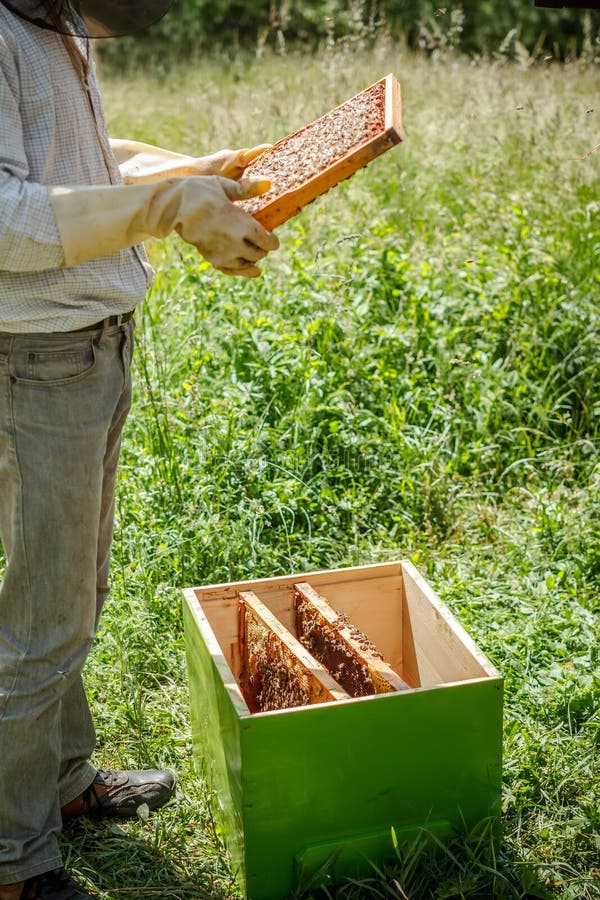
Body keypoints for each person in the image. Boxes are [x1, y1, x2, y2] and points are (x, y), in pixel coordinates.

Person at [0, 2, 279, 897]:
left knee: (73, 593)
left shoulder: (54, 27)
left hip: (87, 347)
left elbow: (80, 166)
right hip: (33, 360)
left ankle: (63, 781)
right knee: (42, 622)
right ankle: (14, 858)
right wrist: (166, 206)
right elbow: (6, 217)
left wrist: (190, 172)